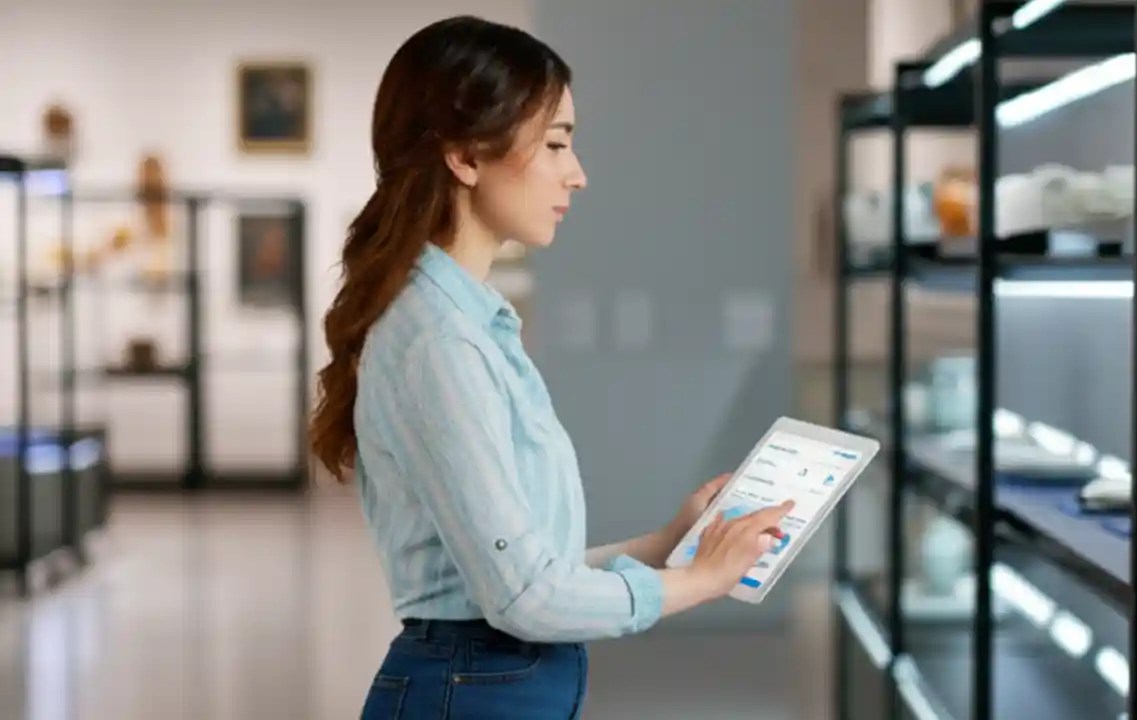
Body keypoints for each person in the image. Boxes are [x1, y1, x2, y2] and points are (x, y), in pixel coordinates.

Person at [309, 15, 794, 720]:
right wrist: (700, 579)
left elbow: (524, 575)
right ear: (466, 156)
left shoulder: (470, 324)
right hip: (469, 691)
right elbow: (525, 600)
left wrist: (669, 545)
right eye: (558, 143)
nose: (578, 173)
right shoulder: (440, 343)